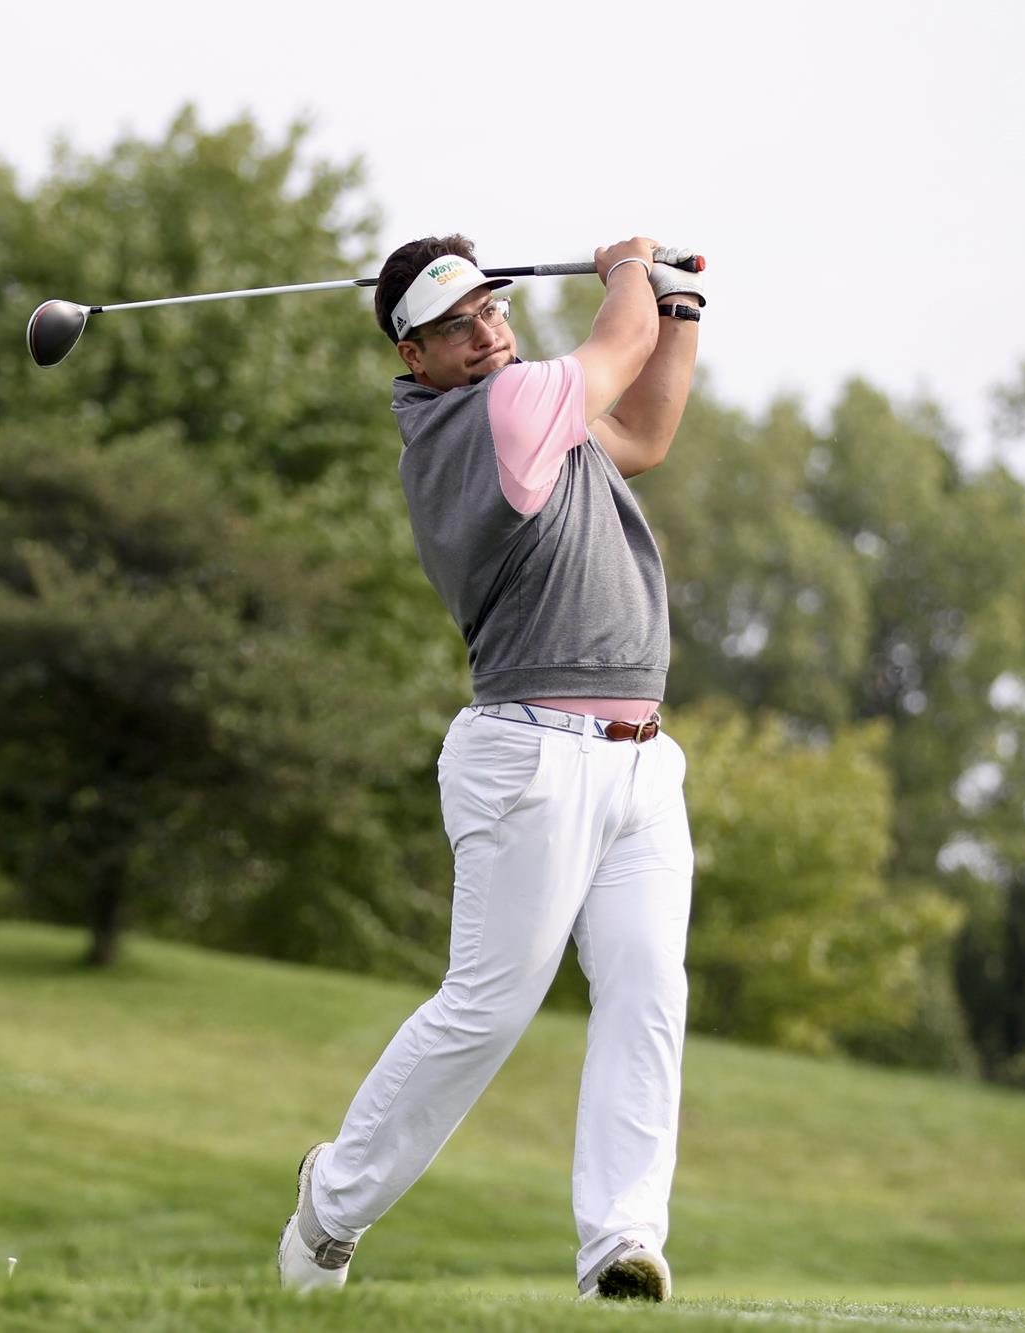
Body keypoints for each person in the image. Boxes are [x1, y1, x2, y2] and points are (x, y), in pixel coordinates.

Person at [277, 235, 706, 1301]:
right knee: (489, 1006)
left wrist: (682, 302)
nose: (486, 331)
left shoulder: (534, 416)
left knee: (648, 994)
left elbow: (641, 432)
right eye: (454, 325)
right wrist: (626, 269)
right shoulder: (491, 419)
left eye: (489, 309)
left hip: (638, 766)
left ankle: (619, 1244)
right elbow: (613, 350)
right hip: (530, 756)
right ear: (412, 357)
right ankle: (328, 1208)